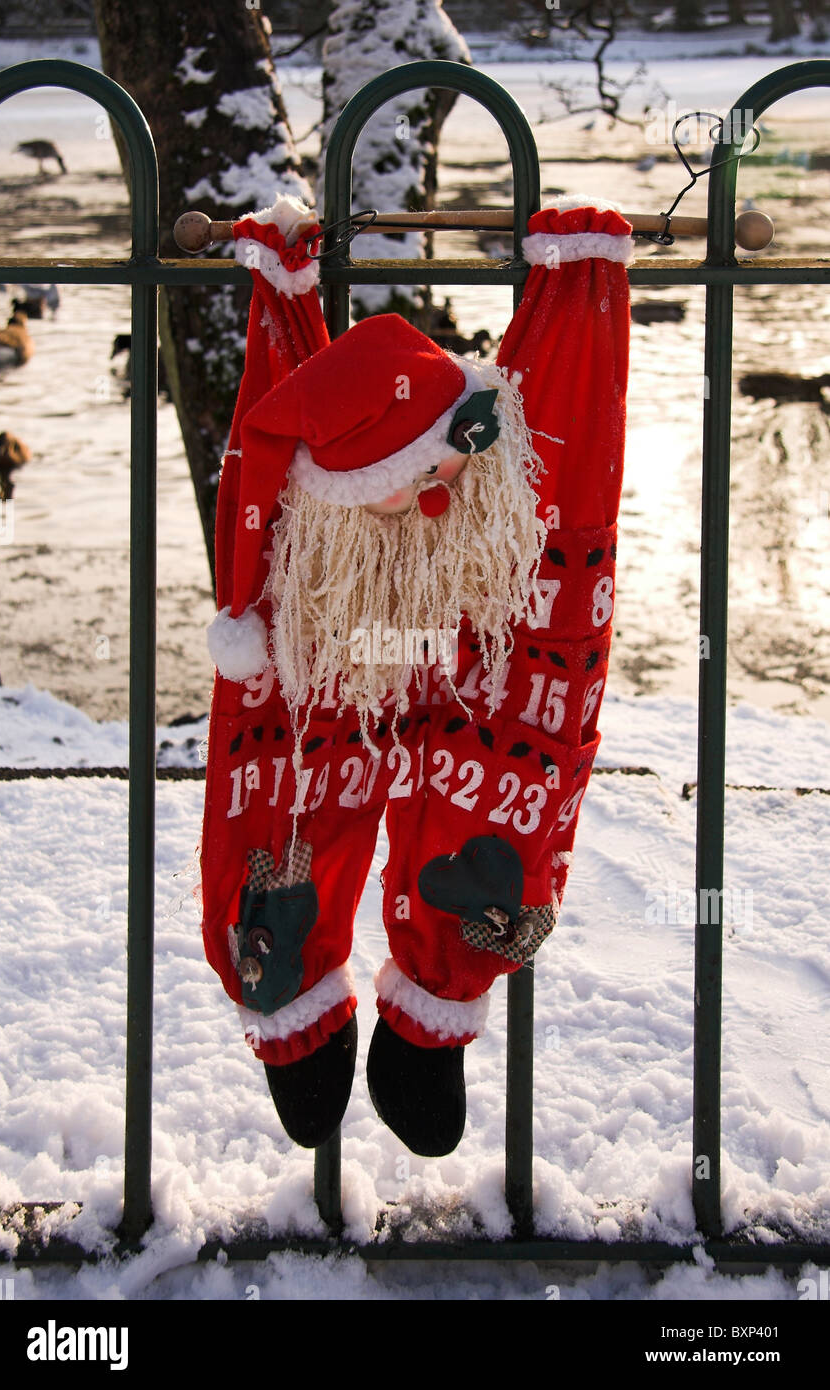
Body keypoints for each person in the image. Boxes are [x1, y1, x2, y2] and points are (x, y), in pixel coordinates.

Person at [201, 193, 631, 1155]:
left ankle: (434, 1012)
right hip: (353, 630)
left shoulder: (490, 504)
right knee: (301, 767)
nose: (435, 500)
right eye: (415, 483)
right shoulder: (314, 548)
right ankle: (290, 1000)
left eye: (444, 474)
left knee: (493, 760)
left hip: (461, 635)